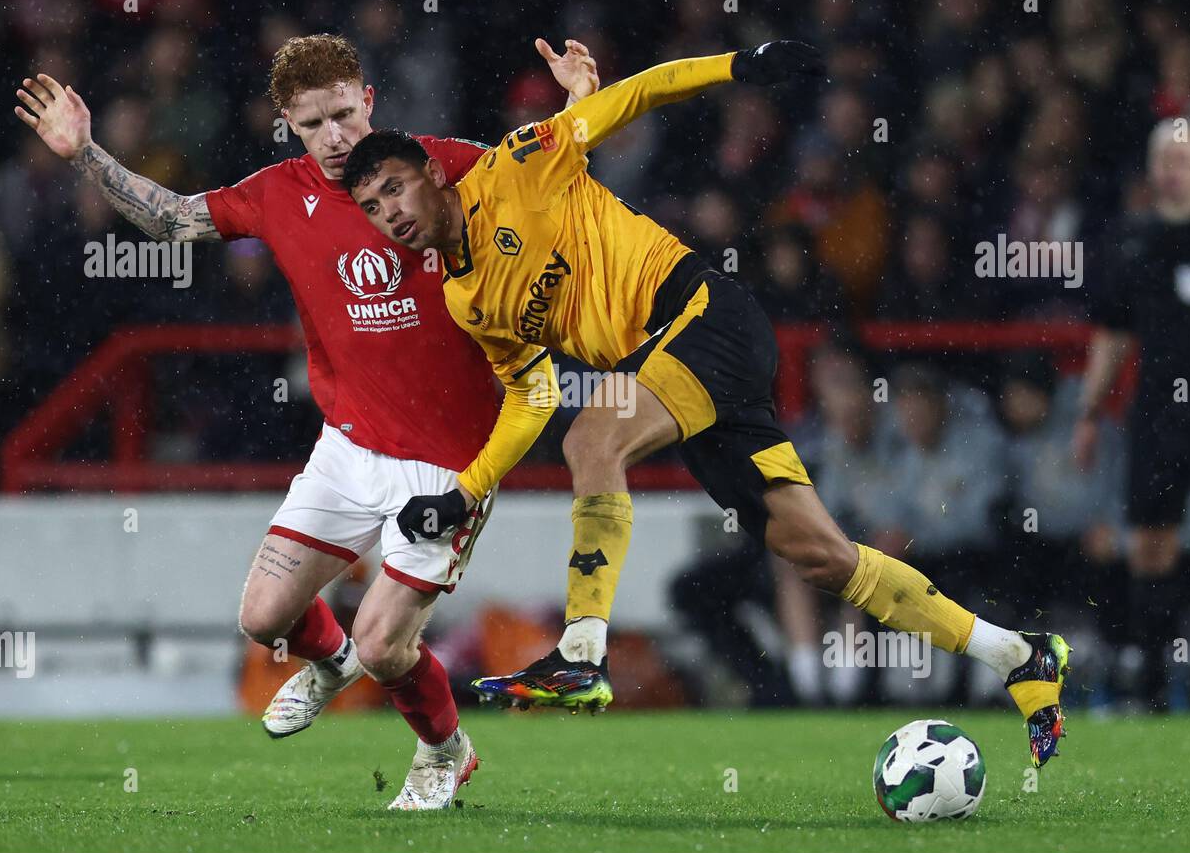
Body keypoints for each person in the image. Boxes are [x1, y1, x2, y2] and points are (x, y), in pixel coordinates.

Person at [344, 41, 1073, 768]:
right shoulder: (464, 298)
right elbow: (532, 394)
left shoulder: (516, 167)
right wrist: (464, 491)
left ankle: (581, 651)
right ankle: (1018, 652)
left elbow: (634, 95)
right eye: (372, 206)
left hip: (700, 315)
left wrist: (738, 65)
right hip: (671, 369)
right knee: (820, 555)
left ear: (434, 174)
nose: (389, 212)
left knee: (592, 441)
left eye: (397, 189)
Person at [13, 32, 599, 808]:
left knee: (386, 641)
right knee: (263, 616)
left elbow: (546, 170)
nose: (334, 138)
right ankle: (328, 664)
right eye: (313, 124)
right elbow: (176, 220)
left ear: (370, 102)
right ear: (287, 122)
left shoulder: (438, 164)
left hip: (451, 459)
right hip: (349, 447)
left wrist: (580, 99)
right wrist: (86, 153)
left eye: (345, 115)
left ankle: (444, 749)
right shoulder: (278, 193)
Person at [1074, 120, 1190, 710]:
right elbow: (1112, 334)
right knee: (1150, 545)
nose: (1173, 168)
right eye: (1163, 157)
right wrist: (1088, 414)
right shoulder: (1131, 240)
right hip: (1159, 410)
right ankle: (1154, 685)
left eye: (1184, 158)